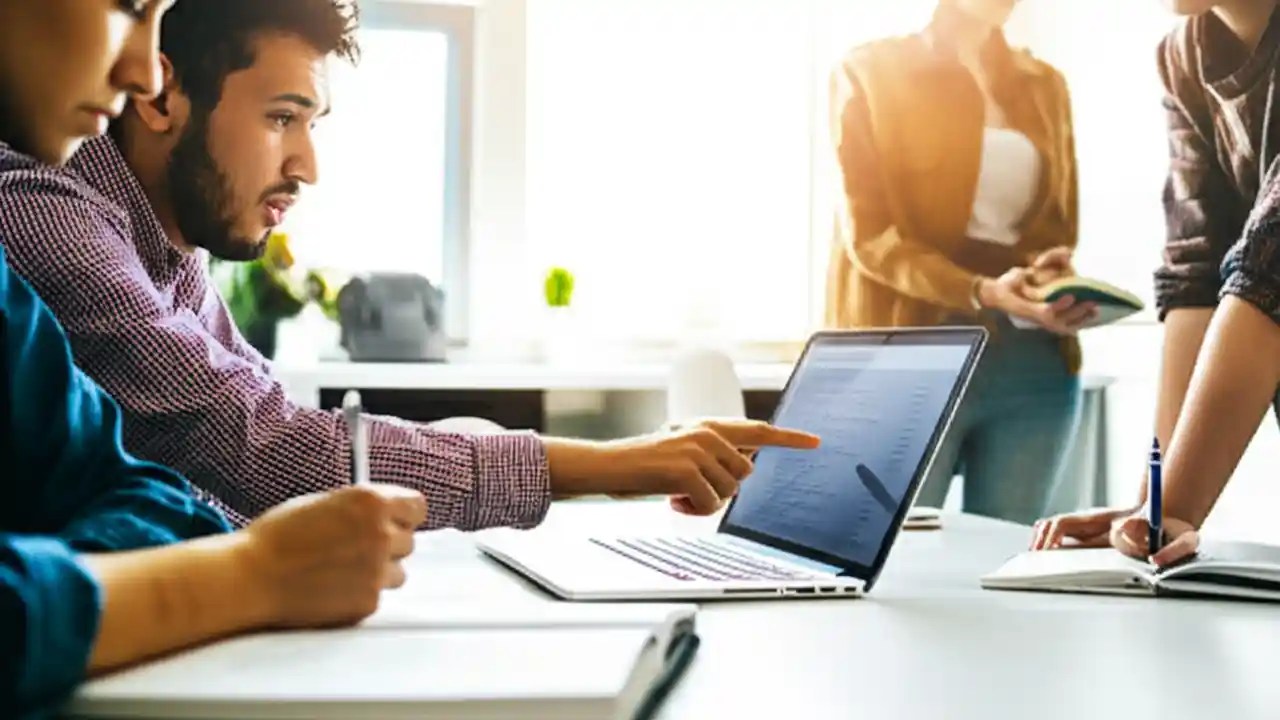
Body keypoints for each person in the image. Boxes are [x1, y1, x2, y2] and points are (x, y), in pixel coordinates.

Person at [0, 0, 821, 531]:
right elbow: (259, 450)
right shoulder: (41, 209)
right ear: (161, 99)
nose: (307, 166)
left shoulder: (162, 248)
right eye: (284, 118)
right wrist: (611, 463)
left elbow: (266, 430)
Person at [0, 1, 431, 717]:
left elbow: (129, 487)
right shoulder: (35, 205)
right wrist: (252, 574)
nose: (141, 70)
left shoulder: (127, 262)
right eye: (129, 7)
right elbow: (254, 450)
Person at [825, 0, 1096, 524]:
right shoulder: (869, 71)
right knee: (894, 566)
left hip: (1033, 361)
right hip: (908, 353)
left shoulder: (1046, 85)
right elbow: (871, 239)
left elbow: (1056, 227)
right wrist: (981, 289)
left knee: (1007, 568)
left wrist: (1047, 275)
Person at [1030, 0, 1280, 564]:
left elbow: (1270, 263)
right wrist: (1156, 503)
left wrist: (1176, 507)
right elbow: (1196, 277)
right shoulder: (1185, 55)